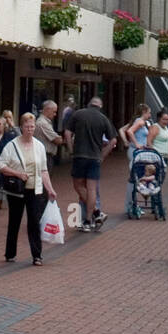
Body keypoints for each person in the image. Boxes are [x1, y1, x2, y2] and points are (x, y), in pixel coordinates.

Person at [0, 112, 57, 264]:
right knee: (14, 221)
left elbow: (44, 170)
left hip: (34, 189)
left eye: (32, 126)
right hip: (17, 189)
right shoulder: (12, 145)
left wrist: (50, 189)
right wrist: (17, 173)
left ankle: (37, 255)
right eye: (27, 126)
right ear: (21, 127)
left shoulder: (39, 146)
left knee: (34, 222)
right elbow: (0, 165)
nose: (30, 129)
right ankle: (10, 253)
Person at [65, 96, 117, 232]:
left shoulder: (78, 114)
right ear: (100, 106)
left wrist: (71, 150)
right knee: (92, 189)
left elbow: (67, 132)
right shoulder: (103, 119)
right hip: (95, 158)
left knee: (78, 185)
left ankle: (96, 213)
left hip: (80, 155)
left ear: (89, 104)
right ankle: (89, 220)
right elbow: (113, 141)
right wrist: (102, 155)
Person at [35, 100, 64, 168]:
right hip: (45, 156)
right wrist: (60, 138)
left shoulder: (45, 122)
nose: (55, 114)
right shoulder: (43, 123)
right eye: (54, 112)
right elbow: (57, 140)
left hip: (46, 156)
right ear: (48, 109)